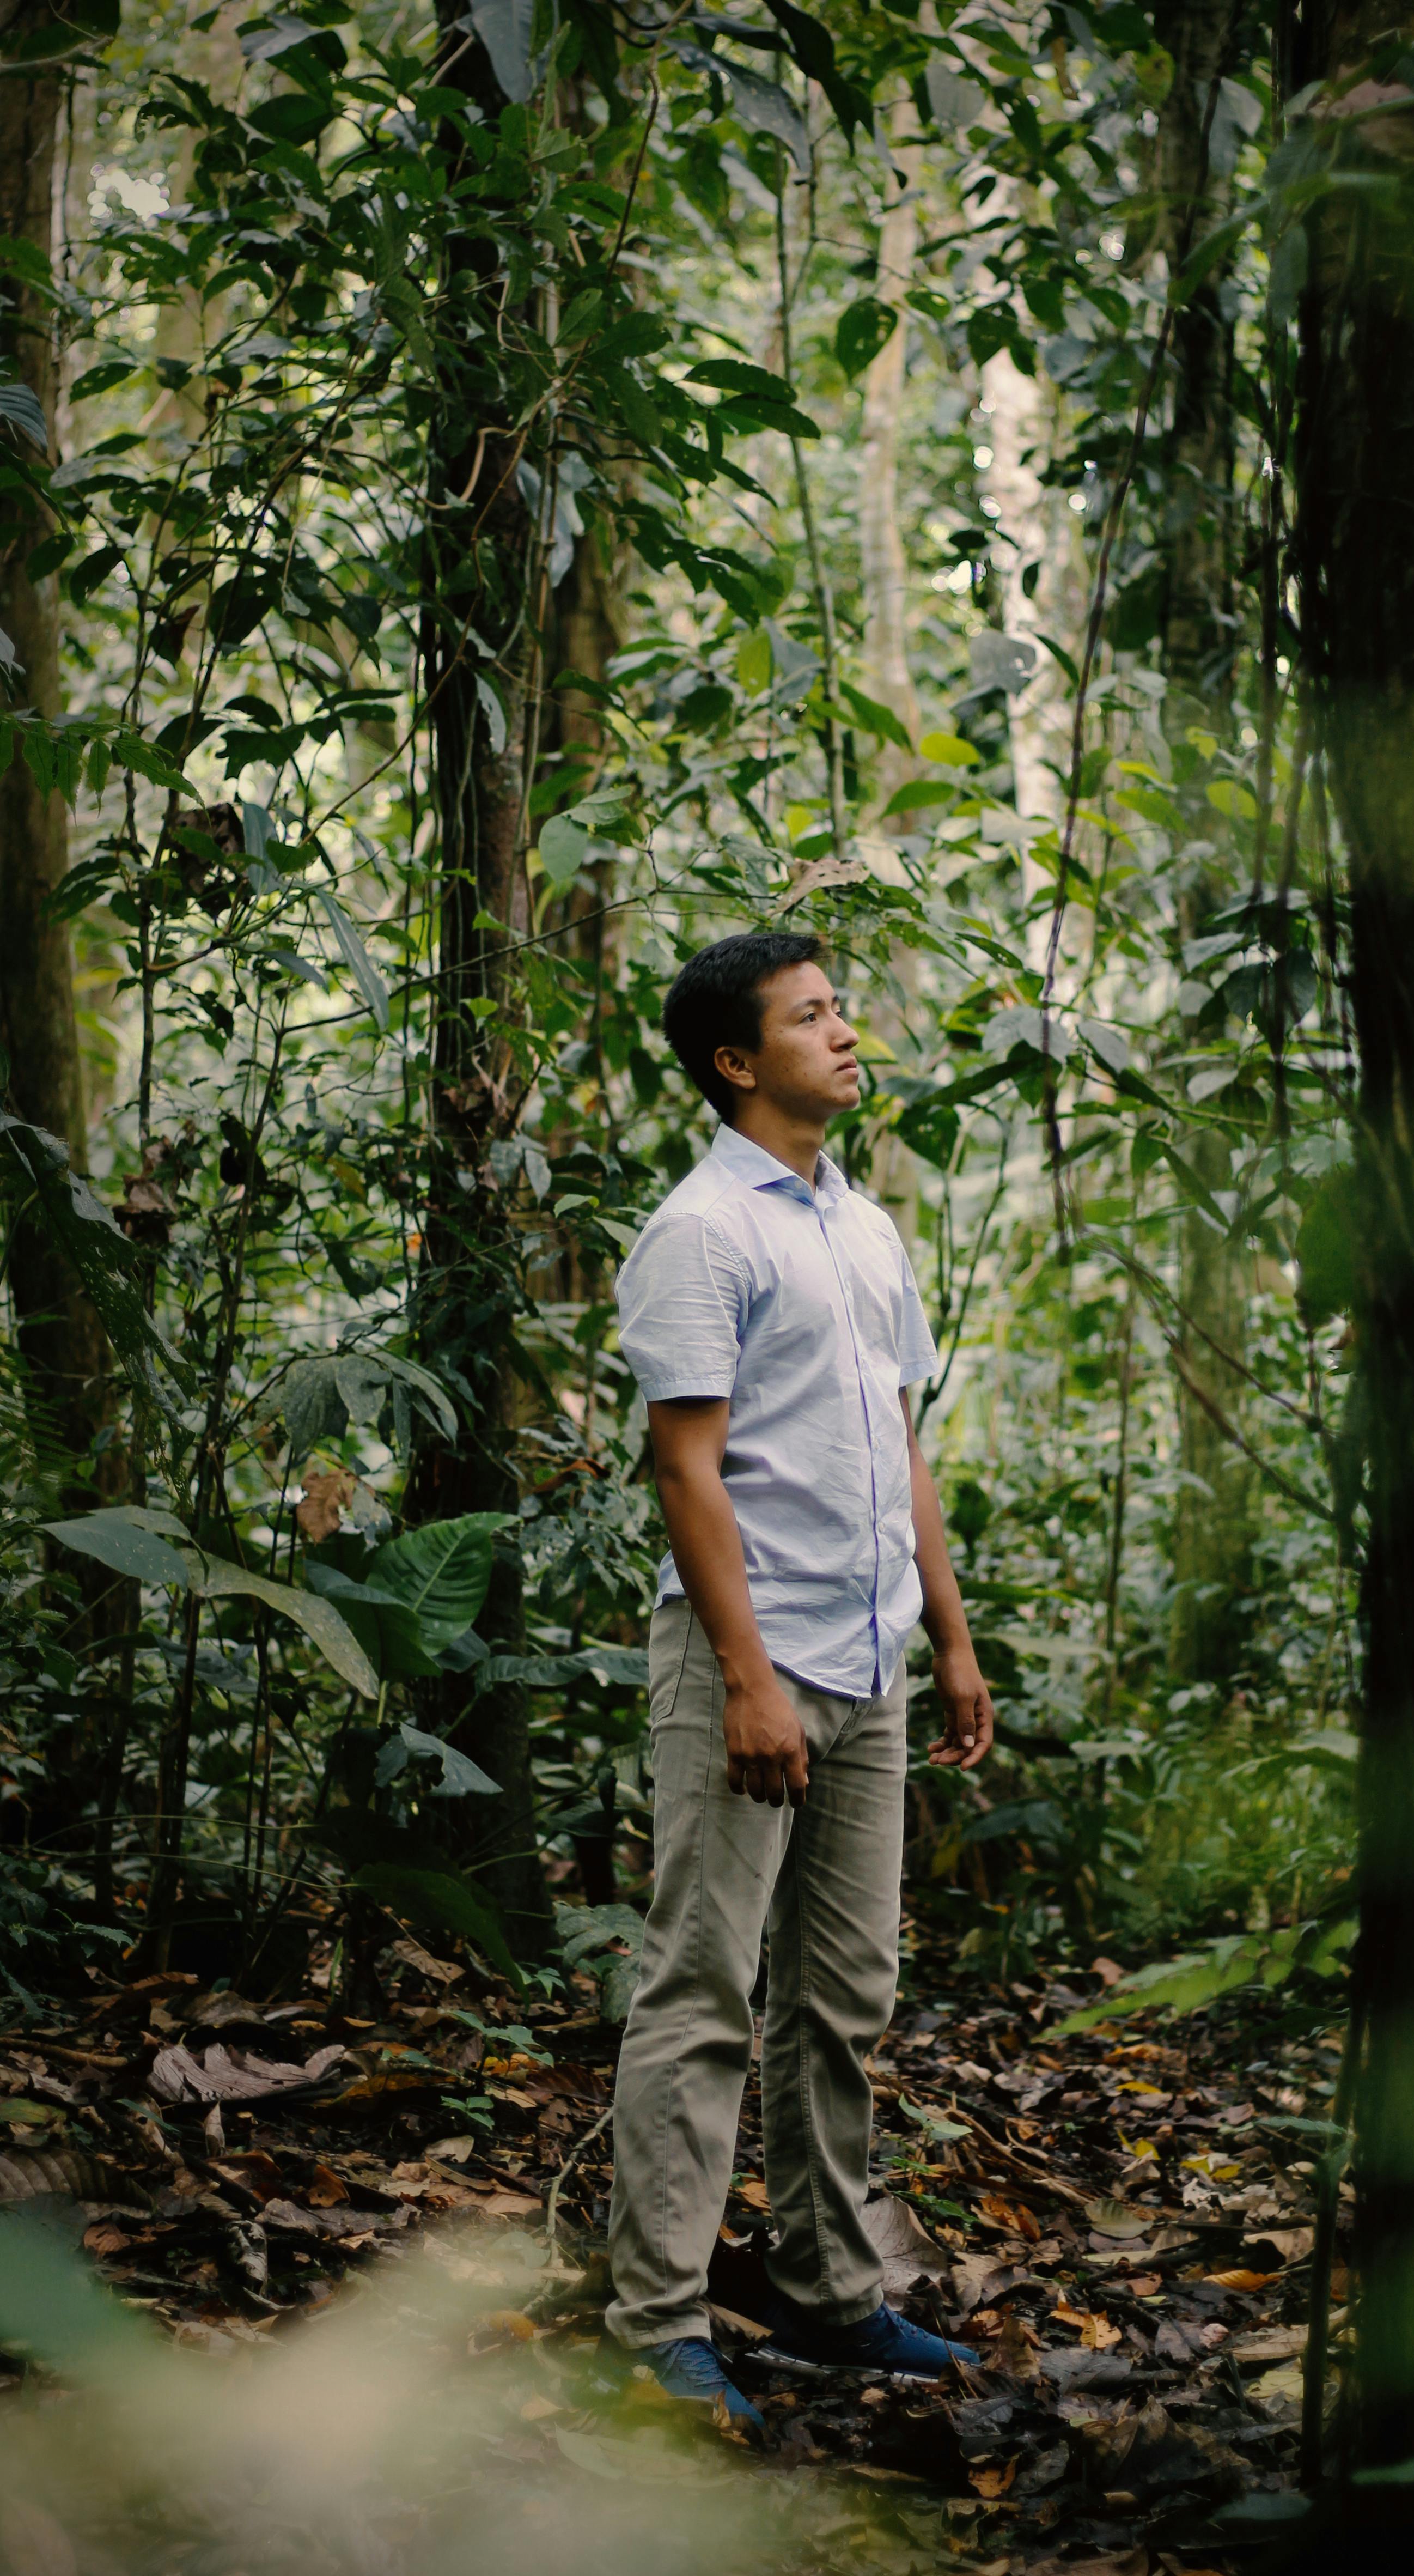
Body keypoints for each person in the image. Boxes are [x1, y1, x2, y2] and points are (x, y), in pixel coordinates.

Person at [603, 928, 996, 2438]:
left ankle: (828, 2290)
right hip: (751, 1666)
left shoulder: (864, 1228)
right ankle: (656, 2323)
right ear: (734, 1061)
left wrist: (949, 1639)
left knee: (843, 1998)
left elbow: (897, 1441)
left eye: (841, 1008)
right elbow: (687, 1471)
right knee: (704, 1987)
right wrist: (748, 1679)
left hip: (871, 1655)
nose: (845, 1032)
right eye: (810, 1016)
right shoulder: (700, 1233)